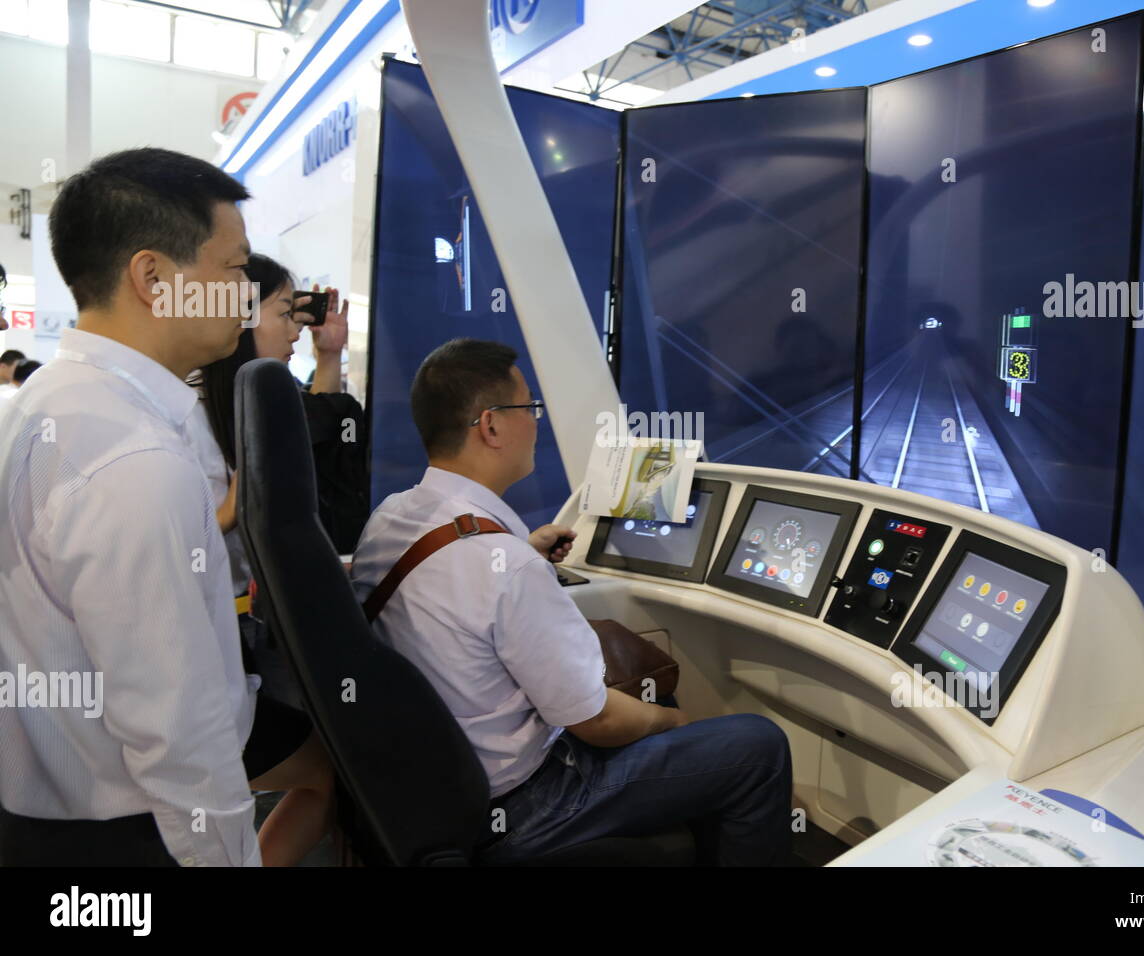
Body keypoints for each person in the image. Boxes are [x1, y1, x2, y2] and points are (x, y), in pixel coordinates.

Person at [0, 147, 331, 867]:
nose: (245, 294)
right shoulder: (135, 459)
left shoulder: (44, 404)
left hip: (45, 798)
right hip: (126, 832)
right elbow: (179, 732)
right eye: (235, 268)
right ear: (154, 277)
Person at [349, 338, 793, 865]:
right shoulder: (507, 566)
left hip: (433, 784)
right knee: (757, 746)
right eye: (529, 407)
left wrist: (520, 550)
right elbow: (597, 722)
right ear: (491, 426)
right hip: (526, 805)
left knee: (657, 706)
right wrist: (673, 724)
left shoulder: (392, 517)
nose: (538, 421)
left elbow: (455, 582)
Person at [189, 252, 364, 712]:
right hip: (221, 626)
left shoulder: (242, 405)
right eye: (285, 314)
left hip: (254, 618)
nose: (294, 332)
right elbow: (176, 542)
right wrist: (249, 492)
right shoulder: (191, 416)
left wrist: (329, 355)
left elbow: (319, 434)